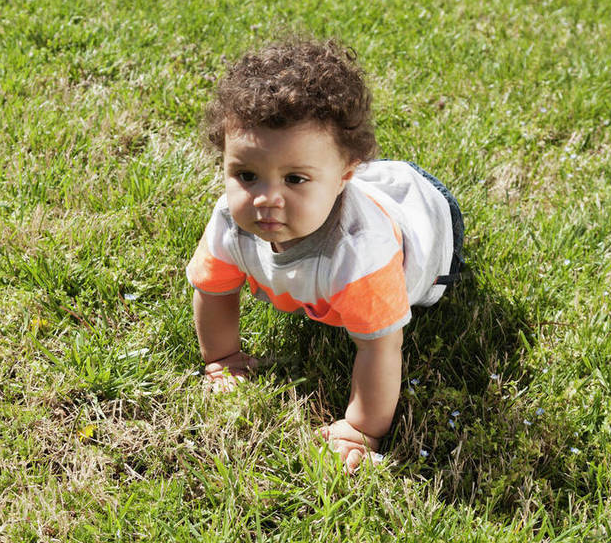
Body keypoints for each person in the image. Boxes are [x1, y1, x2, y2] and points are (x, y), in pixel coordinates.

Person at [186, 39, 465, 472]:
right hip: (362, 185)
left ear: (343, 178)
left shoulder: (360, 255)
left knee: (390, 308)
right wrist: (223, 359)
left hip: (429, 221)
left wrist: (360, 428)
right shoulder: (229, 220)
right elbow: (213, 289)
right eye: (247, 175)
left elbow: (380, 347)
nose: (266, 199)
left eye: (294, 178)